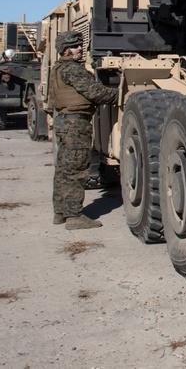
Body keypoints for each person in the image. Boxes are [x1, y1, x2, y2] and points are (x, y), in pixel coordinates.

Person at [48, 31, 118, 230]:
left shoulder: (59, 68)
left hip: (64, 122)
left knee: (63, 169)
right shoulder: (72, 69)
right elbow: (95, 92)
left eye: (80, 45)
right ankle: (74, 216)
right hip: (75, 125)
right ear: (64, 49)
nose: (80, 49)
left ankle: (61, 213)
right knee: (76, 170)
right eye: (75, 46)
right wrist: (121, 93)